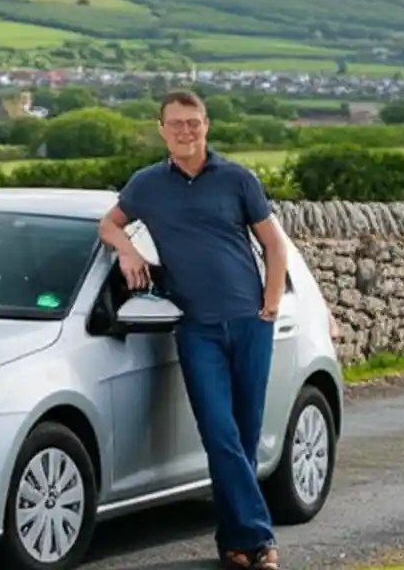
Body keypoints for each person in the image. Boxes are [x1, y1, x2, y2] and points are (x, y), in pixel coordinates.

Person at [98, 90, 287, 570]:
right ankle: (262, 540)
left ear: (206, 125)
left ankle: (234, 544)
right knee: (219, 434)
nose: (186, 131)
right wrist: (128, 250)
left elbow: (273, 244)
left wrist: (270, 303)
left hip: (250, 324)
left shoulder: (238, 179)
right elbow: (109, 224)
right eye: (176, 123)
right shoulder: (146, 185)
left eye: (193, 122)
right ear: (161, 129)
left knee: (243, 438)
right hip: (197, 328)